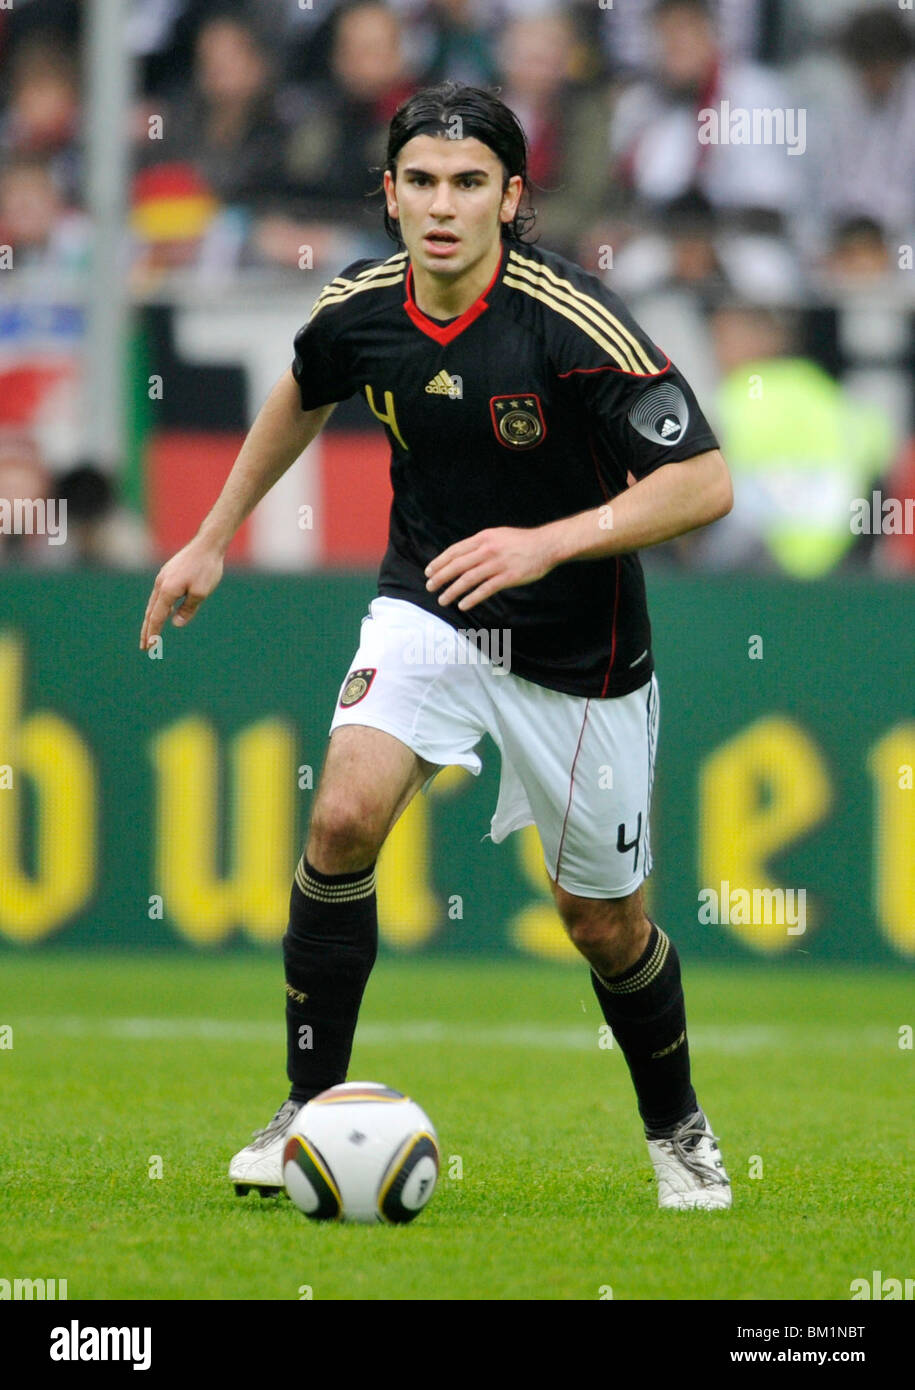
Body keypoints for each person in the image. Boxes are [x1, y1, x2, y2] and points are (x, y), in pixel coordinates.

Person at [140, 82, 734, 1212]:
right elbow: (303, 393)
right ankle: (306, 1111)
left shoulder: (574, 322)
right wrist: (212, 538)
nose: (443, 205)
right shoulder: (362, 306)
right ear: (390, 194)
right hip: (429, 607)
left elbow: (704, 480)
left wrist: (550, 543)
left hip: (580, 651)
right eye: (421, 181)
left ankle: (680, 1129)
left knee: (603, 923)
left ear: (513, 198)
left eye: (469, 184)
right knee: (342, 815)